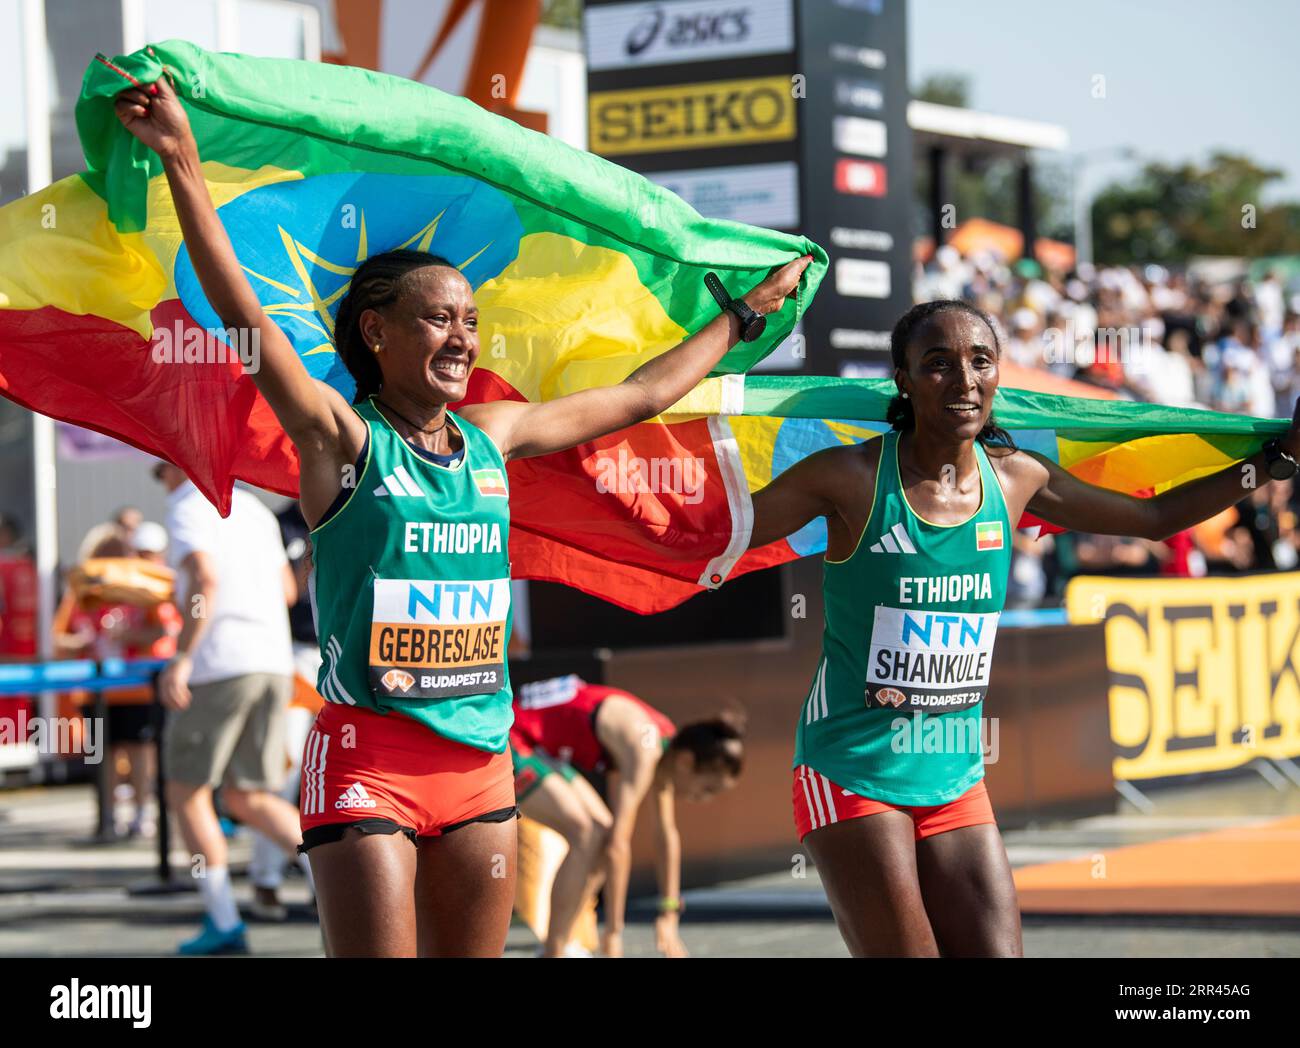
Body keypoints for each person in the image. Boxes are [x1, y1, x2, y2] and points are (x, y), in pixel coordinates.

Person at [115, 72, 809, 957]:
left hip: (482, 772)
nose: (463, 339)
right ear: (375, 331)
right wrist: (180, 157)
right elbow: (247, 322)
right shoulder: (339, 439)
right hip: (367, 764)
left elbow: (639, 396)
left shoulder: (495, 433)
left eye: (470, 321)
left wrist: (741, 318)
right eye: (438, 319)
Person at [744, 298, 1300, 957]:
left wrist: (1272, 463)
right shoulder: (852, 478)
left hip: (954, 779)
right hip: (850, 772)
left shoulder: (1016, 478)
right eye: (938, 364)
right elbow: (716, 535)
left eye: (981, 361)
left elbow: (1153, 520)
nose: (964, 379)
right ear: (904, 381)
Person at [153, 461, 311, 955]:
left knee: (188, 793)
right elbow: (288, 591)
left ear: (177, 466)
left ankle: (223, 920)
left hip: (221, 664)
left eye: (160, 469)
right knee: (252, 797)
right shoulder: (253, 510)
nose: (162, 480)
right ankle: (337, 889)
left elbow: (205, 579)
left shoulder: (186, 506)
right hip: (272, 661)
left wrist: (181, 657)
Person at [509, 675, 743, 957]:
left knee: (601, 832)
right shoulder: (646, 751)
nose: (702, 800)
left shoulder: (666, 745)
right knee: (587, 834)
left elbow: (666, 835)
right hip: (509, 735)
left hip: (538, 745)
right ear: (686, 762)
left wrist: (669, 915)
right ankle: (554, 951)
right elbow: (618, 848)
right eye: (706, 789)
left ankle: (557, 943)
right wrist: (614, 935)